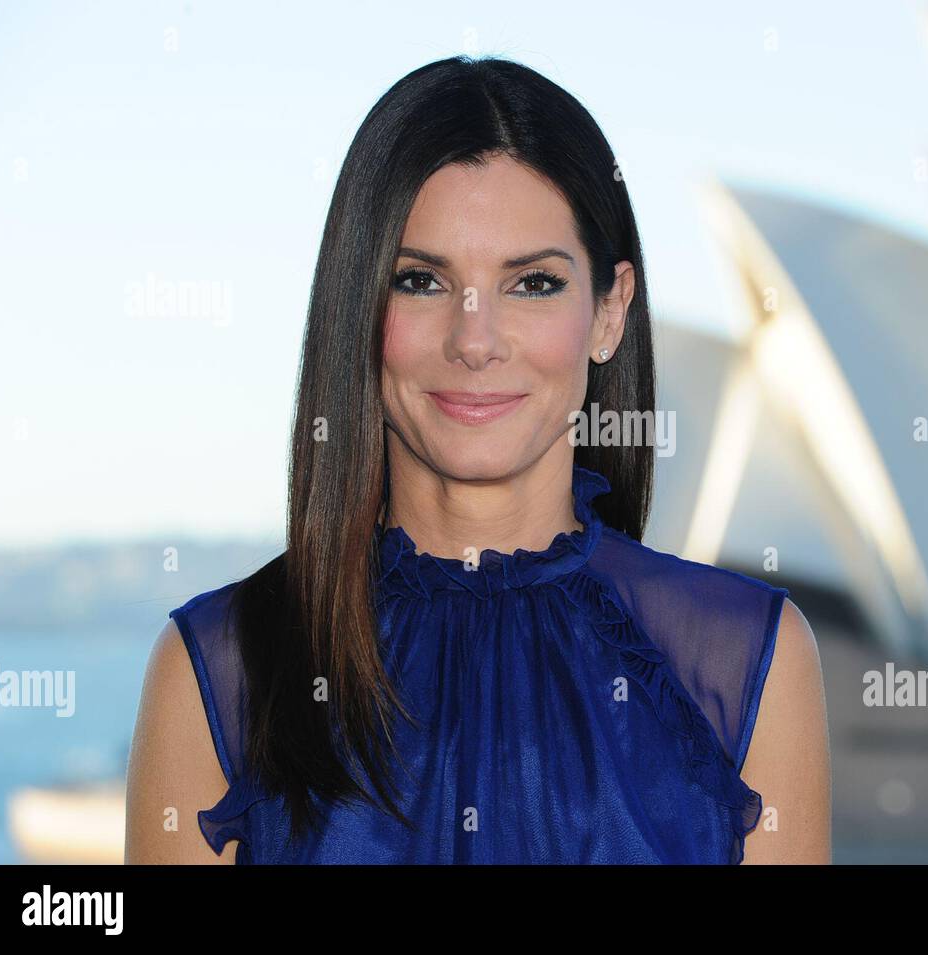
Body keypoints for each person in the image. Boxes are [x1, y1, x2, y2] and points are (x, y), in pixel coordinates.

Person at [125, 55, 830, 864]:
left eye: (532, 284)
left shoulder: (750, 664)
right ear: (358, 306)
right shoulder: (220, 668)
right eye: (421, 281)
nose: (474, 340)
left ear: (609, 312)